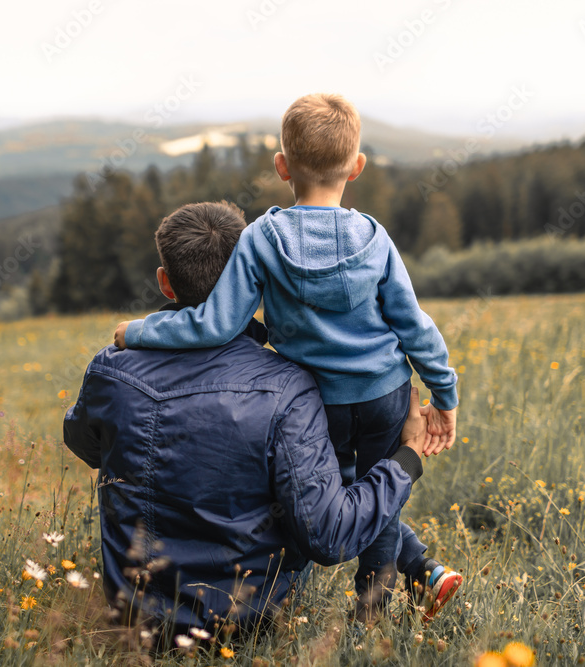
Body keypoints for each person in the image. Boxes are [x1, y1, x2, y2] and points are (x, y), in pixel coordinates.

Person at [113, 93, 462, 620]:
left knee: (326, 488)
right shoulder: (374, 238)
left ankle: (279, 591)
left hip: (313, 400)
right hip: (386, 393)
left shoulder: (261, 239)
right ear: (357, 167)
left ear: (282, 167)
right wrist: (445, 393)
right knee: (381, 494)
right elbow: (415, 324)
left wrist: (138, 331)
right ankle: (372, 614)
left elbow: (217, 323)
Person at [64, 201, 434, 643]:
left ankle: (421, 565)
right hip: (248, 624)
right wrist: (407, 458)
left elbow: (85, 444)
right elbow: (328, 536)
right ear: (255, 283)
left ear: (165, 284)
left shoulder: (110, 369)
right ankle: (420, 568)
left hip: (136, 617)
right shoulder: (288, 387)